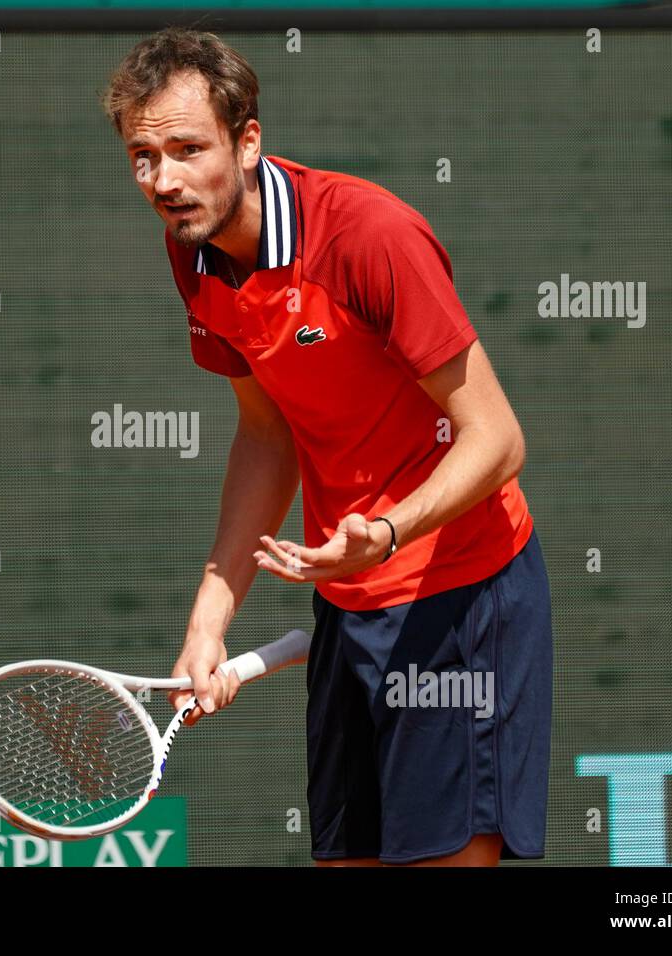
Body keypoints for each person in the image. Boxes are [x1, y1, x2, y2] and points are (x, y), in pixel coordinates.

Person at [100, 27, 553, 866]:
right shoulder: (194, 251)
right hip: (350, 607)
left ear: (248, 140)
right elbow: (265, 433)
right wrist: (210, 622)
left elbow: (497, 438)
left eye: (188, 149)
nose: (163, 180)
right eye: (142, 156)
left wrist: (383, 534)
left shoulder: (367, 236)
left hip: (464, 599)